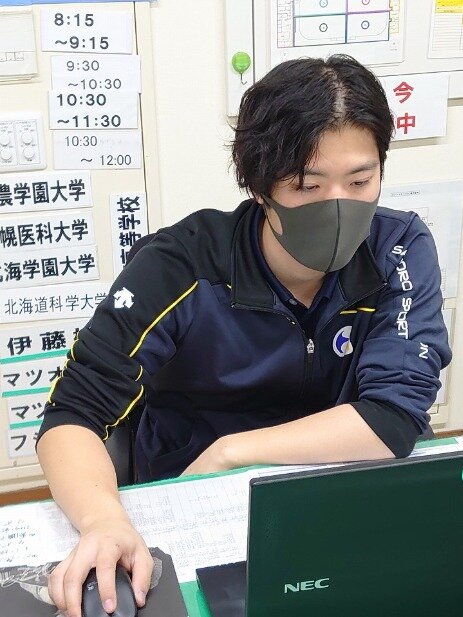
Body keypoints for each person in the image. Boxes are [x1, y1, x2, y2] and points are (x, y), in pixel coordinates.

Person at [36, 55, 451, 617]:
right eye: (306, 185)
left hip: (336, 494)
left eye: (360, 180)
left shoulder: (396, 246)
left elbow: (393, 415)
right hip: (195, 504)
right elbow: (73, 414)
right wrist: (103, 520)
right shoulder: (182, 263)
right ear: (259, 185)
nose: (338, 206)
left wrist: (233, 453)